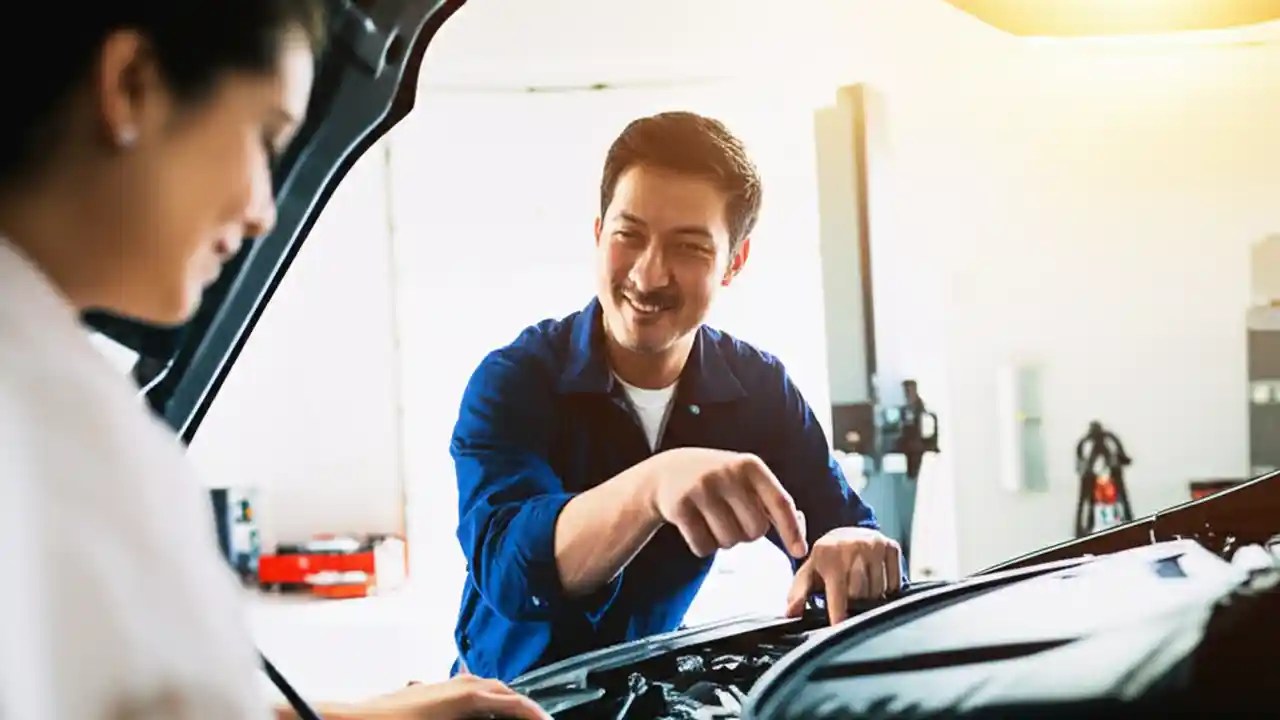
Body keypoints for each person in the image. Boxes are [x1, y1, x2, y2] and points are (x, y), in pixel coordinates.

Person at [0, 3, 548, 719]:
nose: (263, 211)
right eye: (265, 138)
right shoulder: (62, 428)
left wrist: (371, 717)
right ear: (132, 86)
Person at [450, 111, 904, 682]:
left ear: (733, 263)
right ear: (598, 235)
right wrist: (652, 486)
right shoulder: (513, 380)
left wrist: (850, 547)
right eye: (629, 236)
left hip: (651, 693)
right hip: (503, 700)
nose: (649, 273)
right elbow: (512, 575)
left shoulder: (759, 390)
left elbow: (841, 528)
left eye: (688, 248)